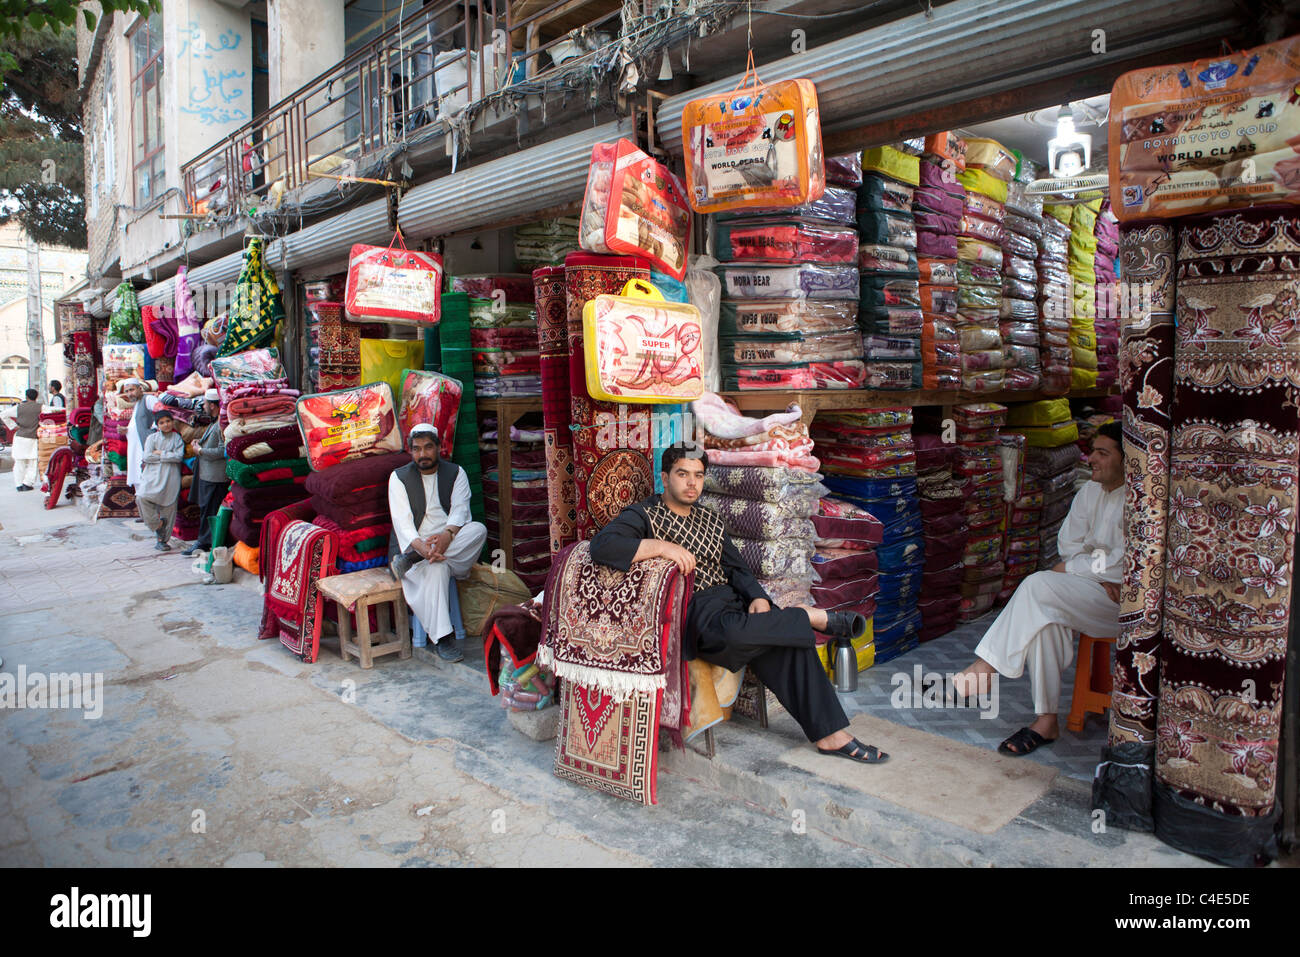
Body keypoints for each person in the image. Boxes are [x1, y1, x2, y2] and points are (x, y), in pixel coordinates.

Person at [589, 442, 890, 764]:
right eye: (683, 474)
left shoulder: (710, 520)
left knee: (785, 642)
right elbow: (602, 546)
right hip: (692, 611)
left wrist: (758, 596)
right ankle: (805, 616)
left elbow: (737, 570)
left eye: (699, 475)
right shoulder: (643, 515)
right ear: (665, 477)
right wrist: (658, 546)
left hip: (729, 605)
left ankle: (832, 735)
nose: (692, 483)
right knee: (740, 633)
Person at [951, 421, 1124, 756]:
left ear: (1127, 459)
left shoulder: (1140, 501)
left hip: (1122, 605)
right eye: (1093, 451)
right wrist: (1093, 572)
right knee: (1044, 617)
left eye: (1103, 453)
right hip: (1091, 591)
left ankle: (984, 670)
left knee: (1038, 584)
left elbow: (1126, 562)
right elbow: (1068, 545)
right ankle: (1046, 721)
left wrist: (1081, 569)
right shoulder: (1089, 491)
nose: (1092, 459)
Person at [387, 424, 488, 662]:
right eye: (417, 449)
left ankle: (411, 561)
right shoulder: (398, 478)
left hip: (450, 544)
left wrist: (446, 536)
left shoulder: (456, 473)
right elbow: (403, 523)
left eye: (428, 447)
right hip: (416, 546)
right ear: (411, 451)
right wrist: (421, 547)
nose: (422, 454)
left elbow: (461, 511)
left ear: (439, 447)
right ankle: (444, 639)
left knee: (477, 530)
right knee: (436, 569)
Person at [183, 389, 227, 557]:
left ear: (213, 405)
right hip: (208, 475)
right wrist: (199, 443)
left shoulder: (220, 425)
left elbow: (223, 451)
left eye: (206, 404)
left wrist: (200, 451)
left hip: (215, 476)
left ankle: (205, 542)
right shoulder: (214, 423)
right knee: (206, 509)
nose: (204, 407)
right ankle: (205, 541)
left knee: (210, 510)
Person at [135, 407, 186, 551]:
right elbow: (146, 457)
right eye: (162, 422)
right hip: (152, 476)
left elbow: (178, 457)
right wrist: (167, 456)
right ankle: (157, 525)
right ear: (157, 425)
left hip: (170, 477)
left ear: (172, 422)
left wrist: (160, 453)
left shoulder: (177, 438)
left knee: (168, 509)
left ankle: (162, 541)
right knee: (141, 498)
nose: (166, 425)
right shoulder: (152, 438)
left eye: (168, 421)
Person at [5, 389, 41, 491]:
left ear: (27, 397)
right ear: (36, 397)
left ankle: (19, 484)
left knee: (19, 462)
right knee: (32, 462)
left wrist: (13, 426)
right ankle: (27, 483)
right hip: (33, 438)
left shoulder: (18, 408)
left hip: (20, 437)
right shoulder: (40, 407)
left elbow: (3, 414)